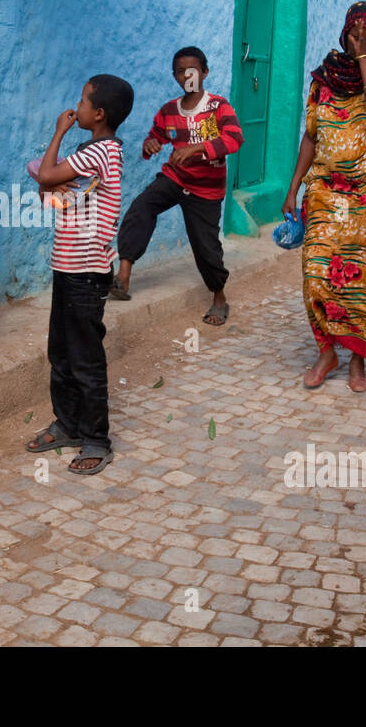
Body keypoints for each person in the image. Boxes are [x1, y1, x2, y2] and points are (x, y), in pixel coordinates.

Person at [282, 1, 366, 394]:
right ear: (344, 32)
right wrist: (293, 188)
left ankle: (358, 360)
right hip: (325, 190)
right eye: (354, 35)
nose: (360, 42)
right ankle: (327, 352)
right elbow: (311, 134)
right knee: (317, 273)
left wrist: (363, 64)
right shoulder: (323, 77)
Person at [25, 75, 133, 475]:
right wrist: (51, 178)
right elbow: (52, 197)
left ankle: (96, 439)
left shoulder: (101, 152)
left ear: (98, 113)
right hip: (67, 267)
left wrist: (57, 133)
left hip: (86, 272)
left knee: (85, 359)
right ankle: (67, 423)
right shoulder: (92, 153)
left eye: (83, 102)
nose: (77, 108)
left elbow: (46, 177)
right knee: (61, 352)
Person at [110, 47, 244, 326]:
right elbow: (154, 139)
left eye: (192, 70)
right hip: (175, 178)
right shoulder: (169, 110)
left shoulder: (218, 107)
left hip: (206, 190)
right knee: (141, 208)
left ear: (204, 72)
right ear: (174, 76)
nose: (186, 75)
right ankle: (123, 277)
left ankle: (219, 297)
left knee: (206, 248)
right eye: (180, 71)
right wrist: (150, 145)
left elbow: (234, 140)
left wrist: (196, 149)